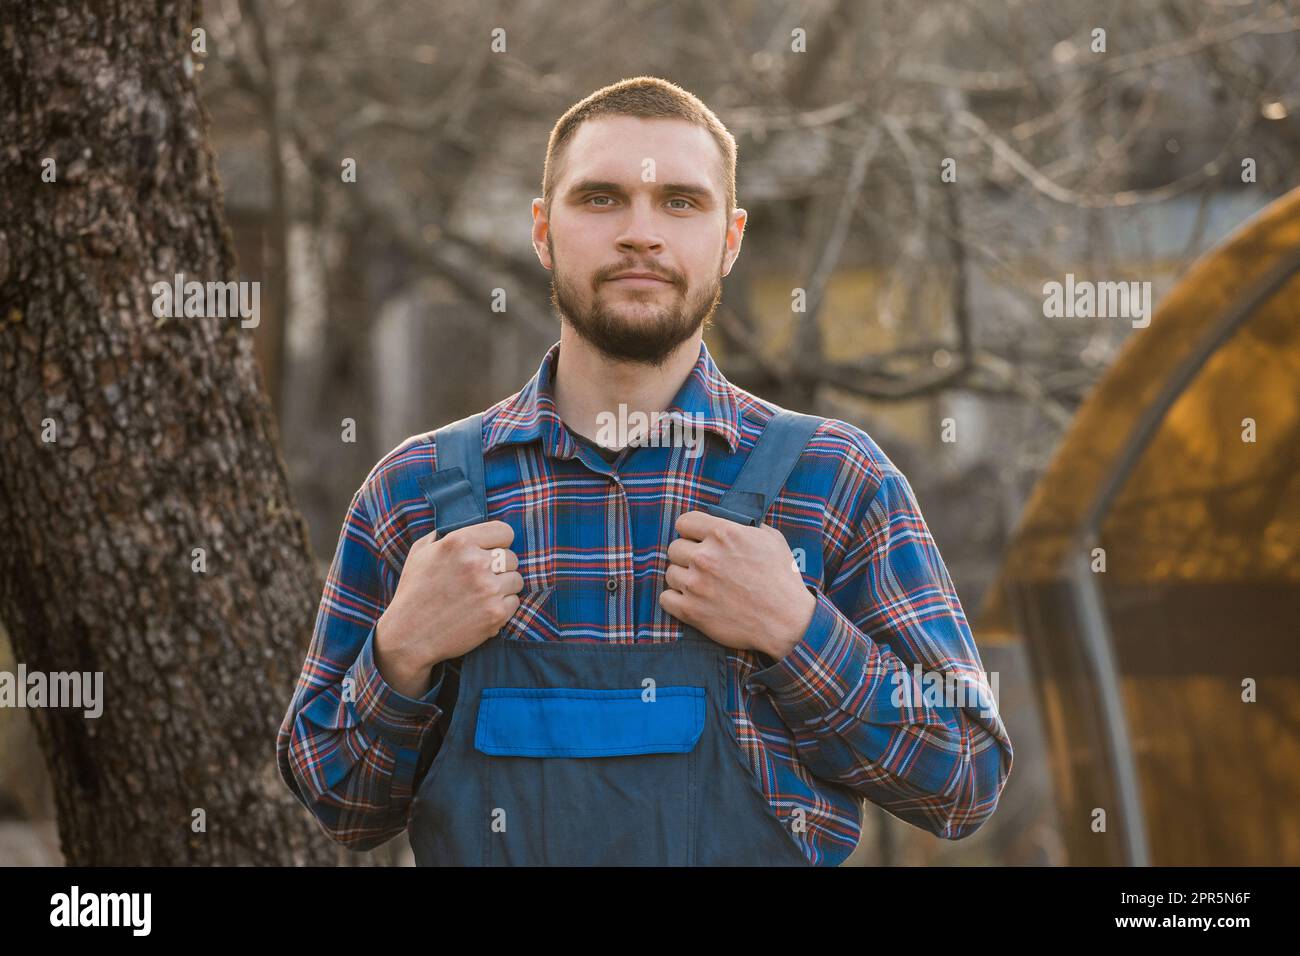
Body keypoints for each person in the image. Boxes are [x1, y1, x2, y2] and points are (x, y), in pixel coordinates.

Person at [276, 76, 1013, 866]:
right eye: (600, 199)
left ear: (730, 239)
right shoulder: (415, 493)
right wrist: (402, 653)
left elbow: (964, 779)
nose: (641, 234)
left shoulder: (835, 481)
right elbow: (340, 805)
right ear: (542, 231)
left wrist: (798, 634)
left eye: (681, 204)